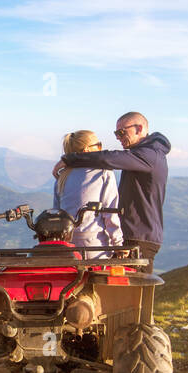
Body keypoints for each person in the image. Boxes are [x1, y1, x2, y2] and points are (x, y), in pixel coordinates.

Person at [53, 111, 169, 263]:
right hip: (128, 236)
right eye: (116, 133)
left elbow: (107, 158)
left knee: (132, 286)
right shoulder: (139, 155)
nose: (117, 137)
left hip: (139, 237)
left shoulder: (149, 156)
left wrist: (71, 159)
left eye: (121, 132)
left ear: (139, 129)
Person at [53, 130, 122, 248]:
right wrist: (118, 243)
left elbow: (56, 212)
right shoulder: (103, 173)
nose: (101, 149)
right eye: (98, 145)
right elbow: (110, 212)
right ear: (87, 151)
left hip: (67, 243)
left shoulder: (62, 177)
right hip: (95, 242)